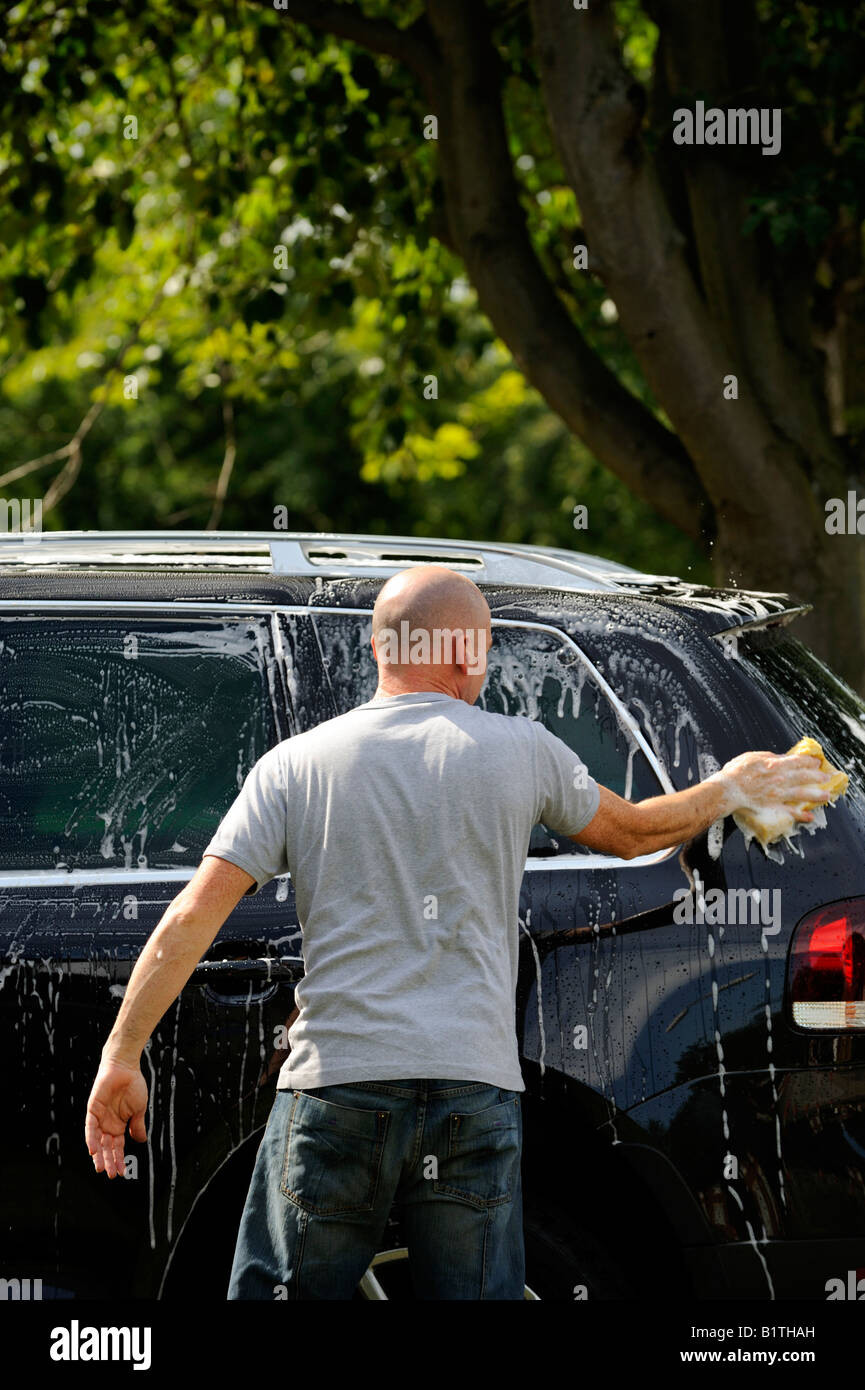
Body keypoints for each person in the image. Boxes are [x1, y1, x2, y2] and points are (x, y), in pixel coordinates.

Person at [84, 564, 834, 1300]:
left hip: (338, 1088)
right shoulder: (522, 750)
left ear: (378, 648)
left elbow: (191, 915)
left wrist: (121, 1054)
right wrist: (733, 787)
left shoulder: (295, 766)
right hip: (471, 1093)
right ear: (465, 655)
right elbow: (637, 833)